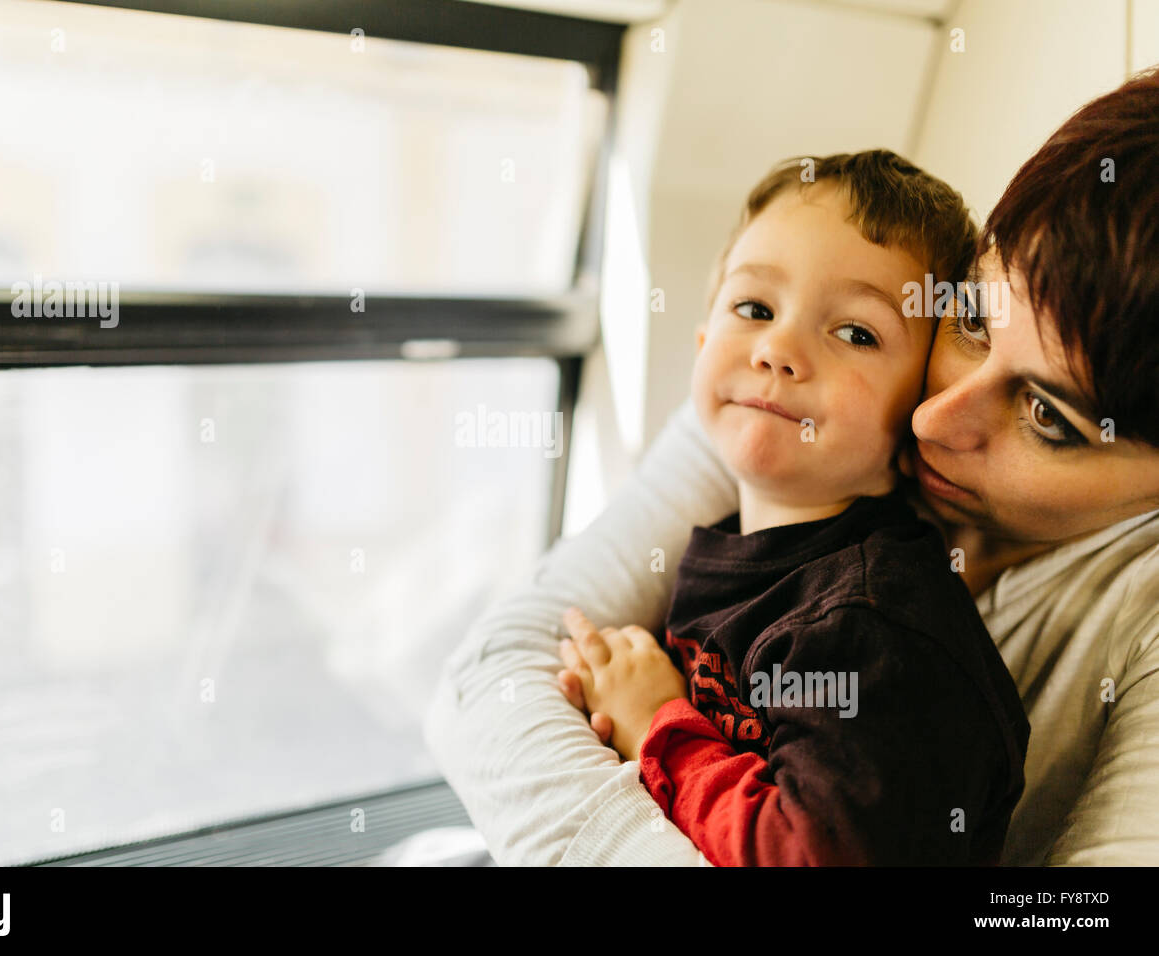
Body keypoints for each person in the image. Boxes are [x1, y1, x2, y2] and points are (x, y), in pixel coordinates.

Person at [423, 67, 1159, 866]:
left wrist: (659, 732)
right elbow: (490, 679)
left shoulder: (886, 605)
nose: (931, 419)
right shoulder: (780, 419)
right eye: (973, 321)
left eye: (1049, 417)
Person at [555, 150, 1029, 866]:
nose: (779, 348)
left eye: (855, 333)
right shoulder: (725, 548)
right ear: (703, 342)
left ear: (921, 412)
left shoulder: (874, 629)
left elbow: (804, 855)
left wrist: (656, 720)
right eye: (754, 308)